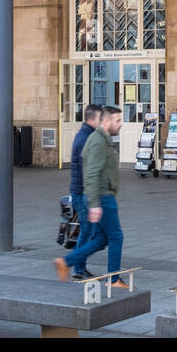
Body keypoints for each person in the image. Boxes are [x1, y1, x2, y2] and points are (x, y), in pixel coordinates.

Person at [56, 106, 127, 288]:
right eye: (118, 120)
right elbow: (92, 173)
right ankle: (113, 279)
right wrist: (94, 204)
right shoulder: (97, 141)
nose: (121, 124)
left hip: (101, 195)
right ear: (106, 121)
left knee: (101, 238)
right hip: (101, 196)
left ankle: (68, 262)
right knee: (116, 237)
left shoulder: (101, 139)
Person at [67, 105, 102, 279]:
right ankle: (77, 268)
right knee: (87, 231)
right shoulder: (85, 139)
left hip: (83, 191)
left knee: (89, 230)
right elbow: (87, 170)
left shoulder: (88, 136)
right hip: (82, 193)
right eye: (100, 119)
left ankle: (78, 266)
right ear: (92, 119)